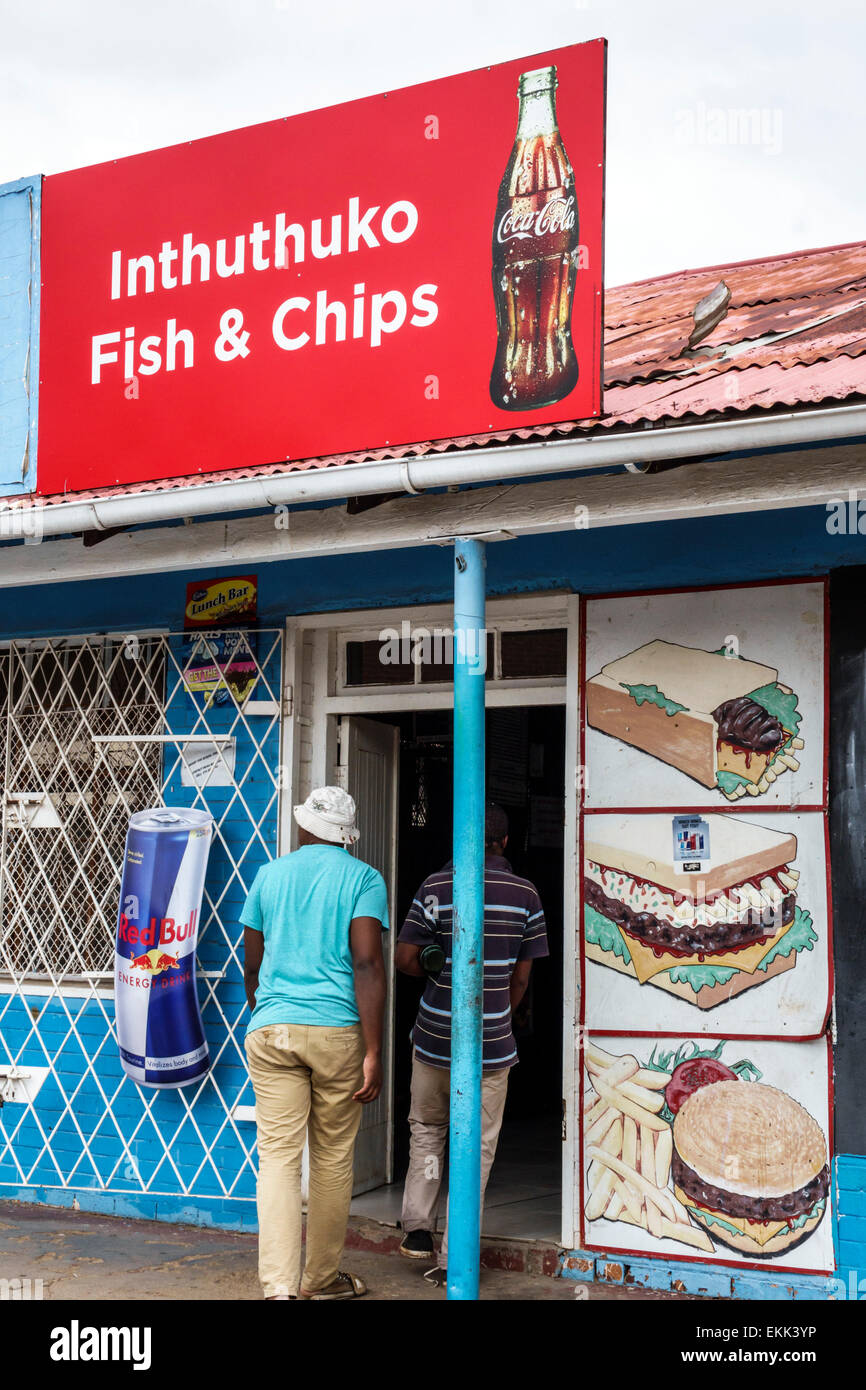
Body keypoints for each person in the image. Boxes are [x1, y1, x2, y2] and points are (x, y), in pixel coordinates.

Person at [243, 786, 388, 1301]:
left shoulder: (268, 876)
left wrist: (269, 1014)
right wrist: (374, 1050)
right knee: (330, 1159)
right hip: (337, 1033)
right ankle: (320, 1281)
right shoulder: (364, 879)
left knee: (278, 1158)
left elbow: (253, 967)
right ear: (345, 838)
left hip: (272, 1028)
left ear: (305, 827)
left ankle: (278, 1289)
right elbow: (368, 963)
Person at [395, 802, 548, 1278]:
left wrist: (436, 969)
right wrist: (503, 1009)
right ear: (504, 842)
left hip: (434, 1037)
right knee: (475, 1148)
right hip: (492, 1042)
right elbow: (521, 978)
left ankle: (418, 1226)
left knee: (428, 1130)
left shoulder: (436, 886)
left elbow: (405, 959)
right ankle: (452, 1258)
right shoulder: (525, 893)